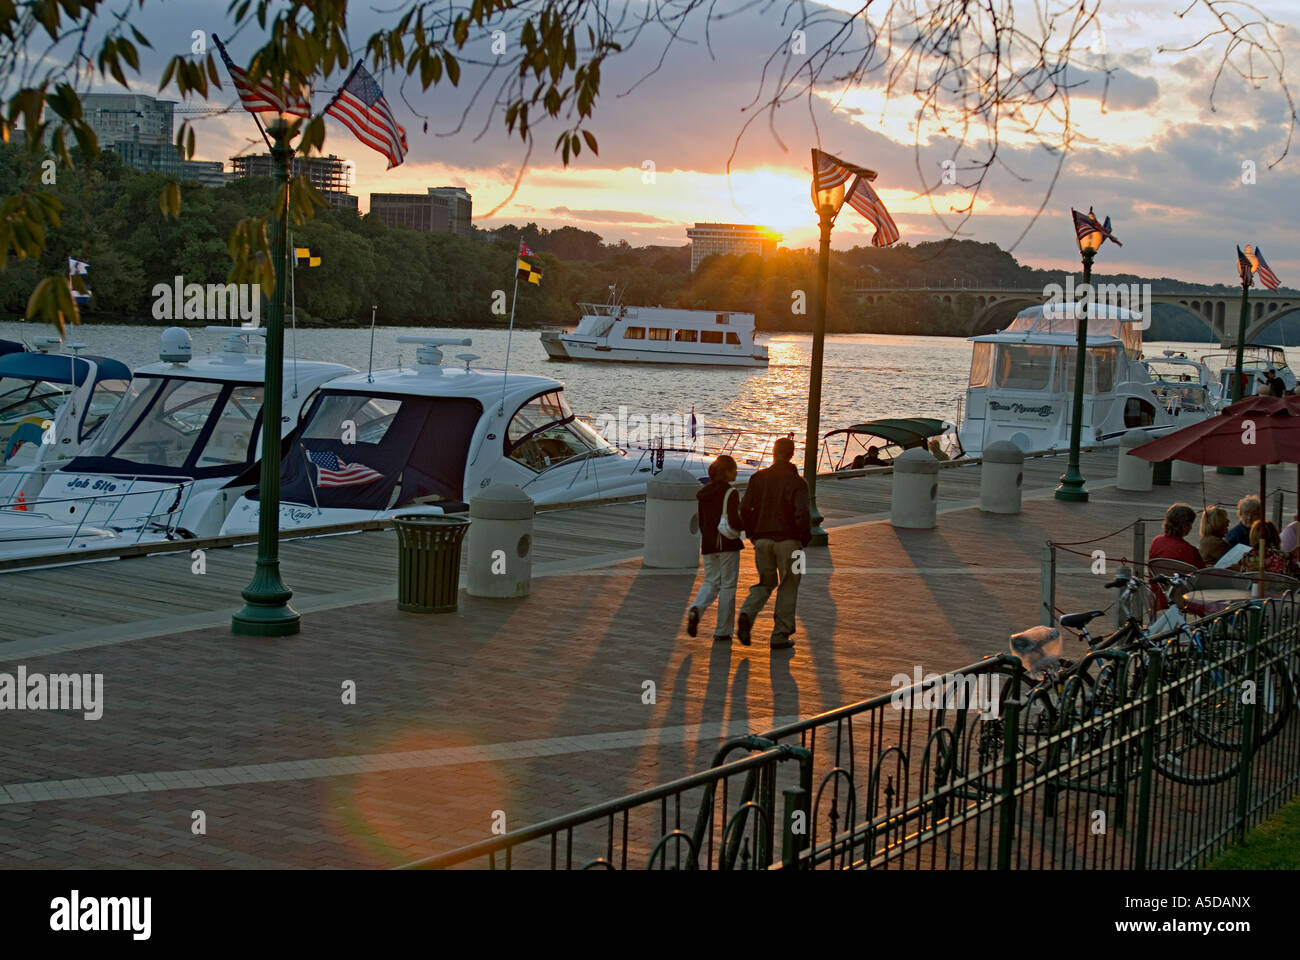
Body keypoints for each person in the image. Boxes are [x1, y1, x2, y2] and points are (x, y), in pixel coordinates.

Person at [737, 436, 811, 650]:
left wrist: (752, 534)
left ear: (773, 452)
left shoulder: (758, 479)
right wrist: (802, 539)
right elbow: (803, 514)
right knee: (789, 585)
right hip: (790, 542)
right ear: (792, 454)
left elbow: (744, 509)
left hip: (762, 540)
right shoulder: (798, 482)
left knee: (765, 582)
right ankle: (780, 634)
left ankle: (748, 612)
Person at [686, 455, 744, 643]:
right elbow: (734, 521)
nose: (736, 472)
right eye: (734, 469)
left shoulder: (704, 493)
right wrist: (746, 525)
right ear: (727, 472)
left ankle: (697, 607)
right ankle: (723, 630)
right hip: (727, 544)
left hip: (709, 544)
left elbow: (702, 522)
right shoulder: (731, 492)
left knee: (711, 582)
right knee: (728, 585)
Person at [1149, 503, 1205, 568]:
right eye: (1190, 524)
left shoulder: (1157, 541)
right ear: (1185, 525)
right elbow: (1200, 573)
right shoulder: (1189, 550)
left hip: (1158, 577)